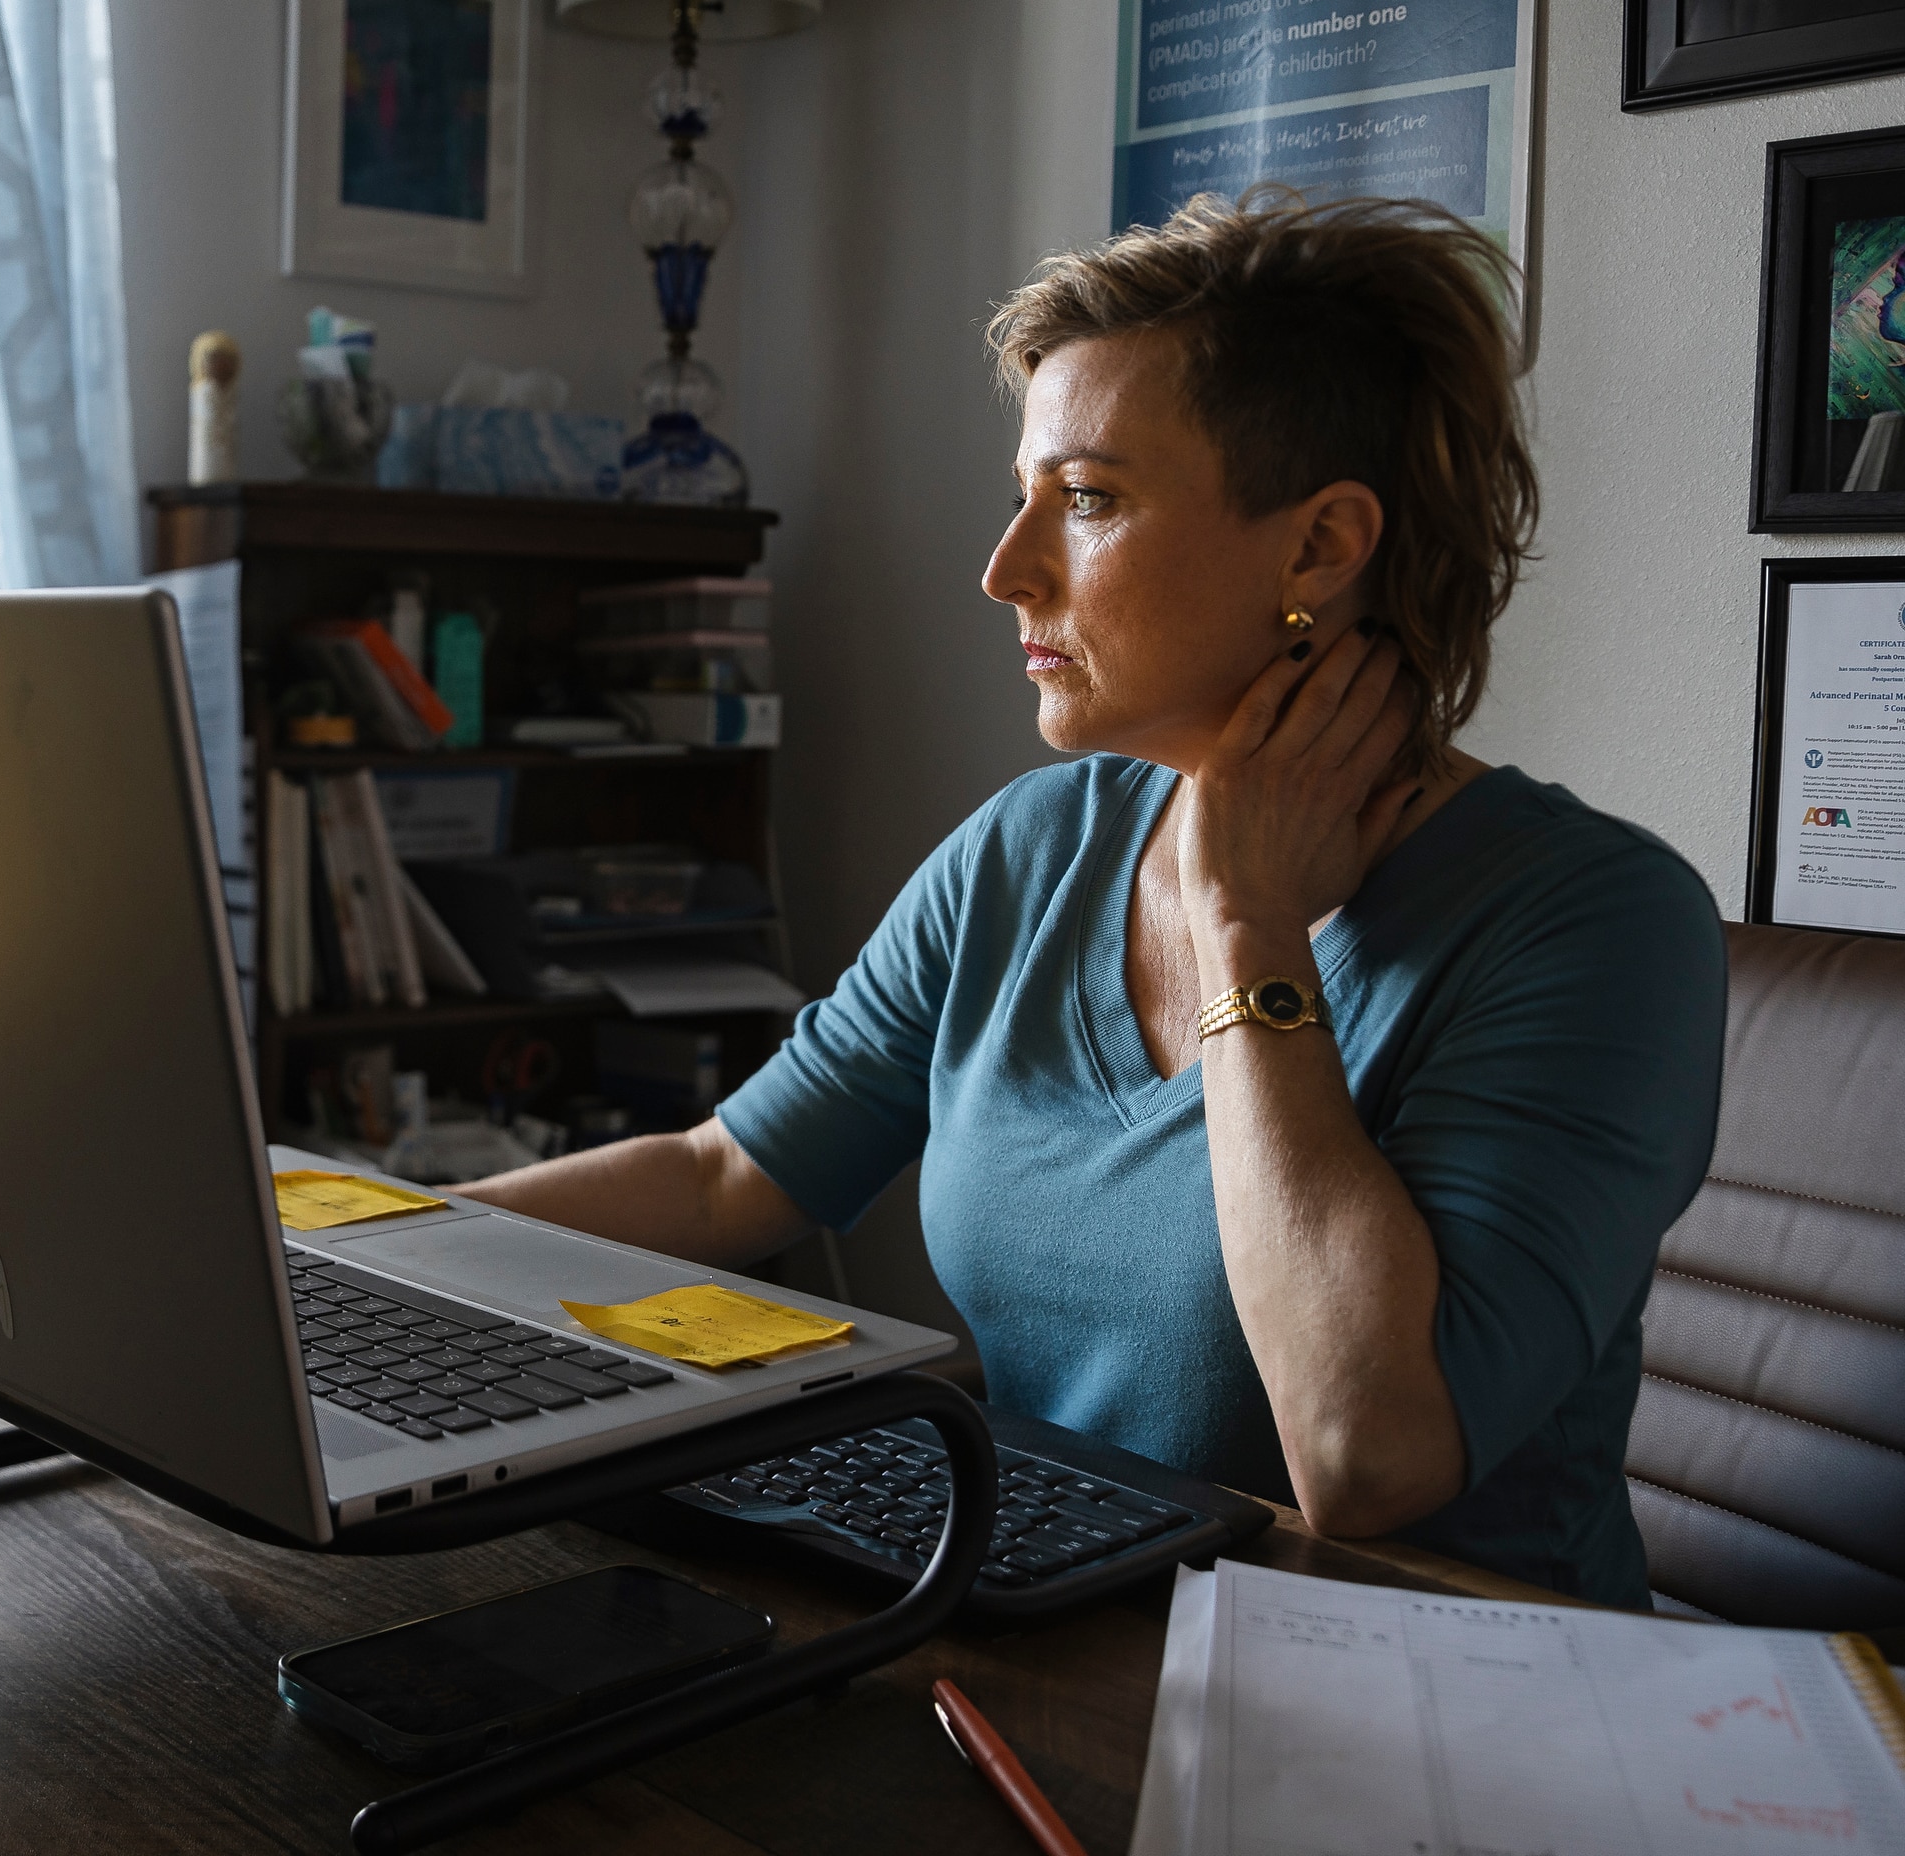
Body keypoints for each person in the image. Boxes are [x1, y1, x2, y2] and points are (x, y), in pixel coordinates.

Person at [466, 190, 1725, 1606]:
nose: (1007, 570)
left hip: (1448, 1719)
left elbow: (1365, 1458)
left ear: (1319, 548)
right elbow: (723, 1176)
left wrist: (1246, 919)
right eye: (1026, 497)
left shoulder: (1597, 923)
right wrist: (353, 1250)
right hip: (1052, 1618)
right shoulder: (1032, 847)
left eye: (1088, 499)